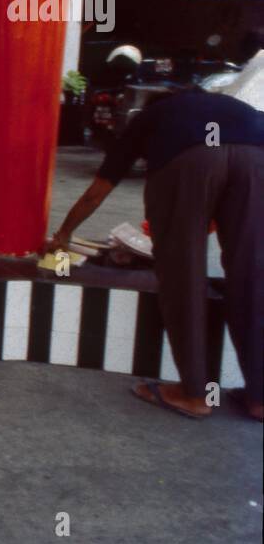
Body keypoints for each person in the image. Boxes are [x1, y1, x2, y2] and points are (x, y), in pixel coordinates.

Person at [46, 88, 264, 422]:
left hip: (193, 162)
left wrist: (63, 235)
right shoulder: (230, 105)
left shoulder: (151, 118)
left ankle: (194, 393)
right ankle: (259, 398)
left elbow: (97, 192)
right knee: (253, 271)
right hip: (257, 156)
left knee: (182, 270)